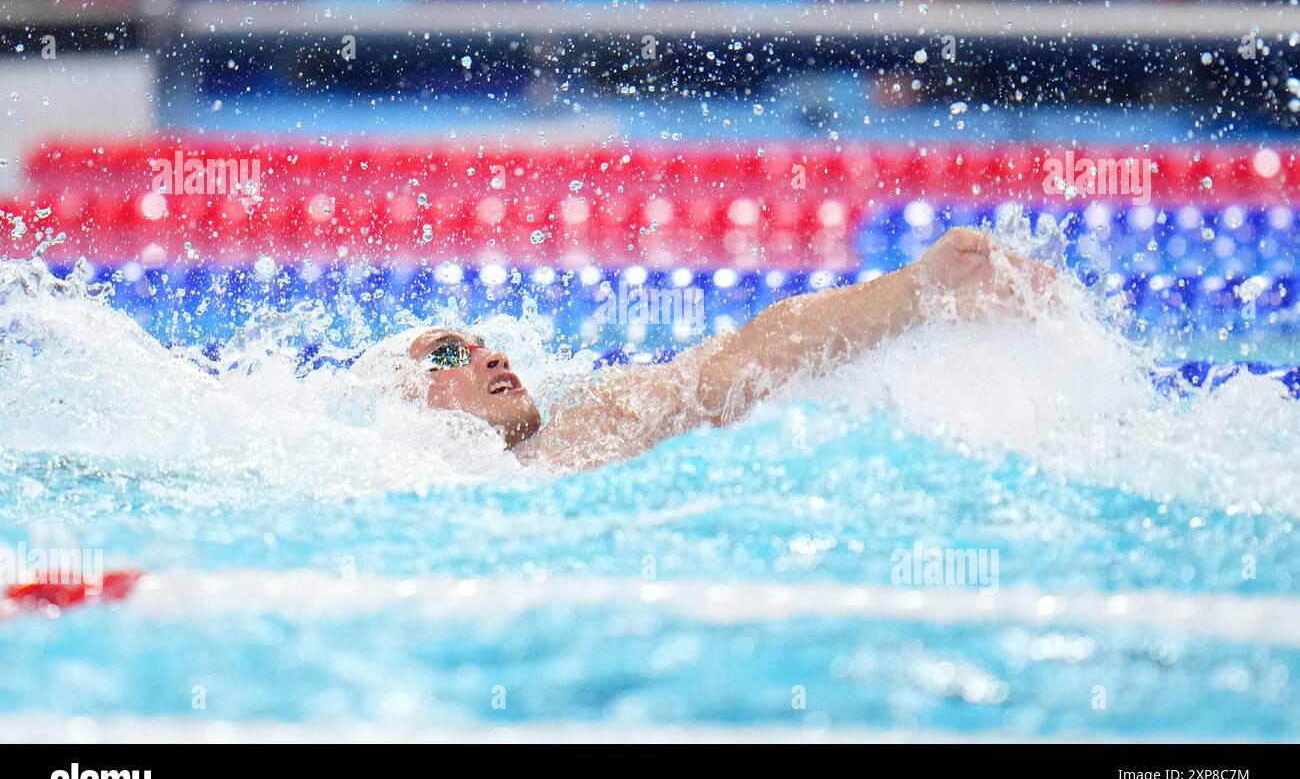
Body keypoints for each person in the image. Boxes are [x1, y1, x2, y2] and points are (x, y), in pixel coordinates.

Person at [353, 228, 1056, 471]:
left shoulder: (589, 422)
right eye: (450, 353)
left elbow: (736, 365)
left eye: (490, 346)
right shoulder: (366, 475)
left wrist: (919, 290)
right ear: (401, 398)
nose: (495, 358)